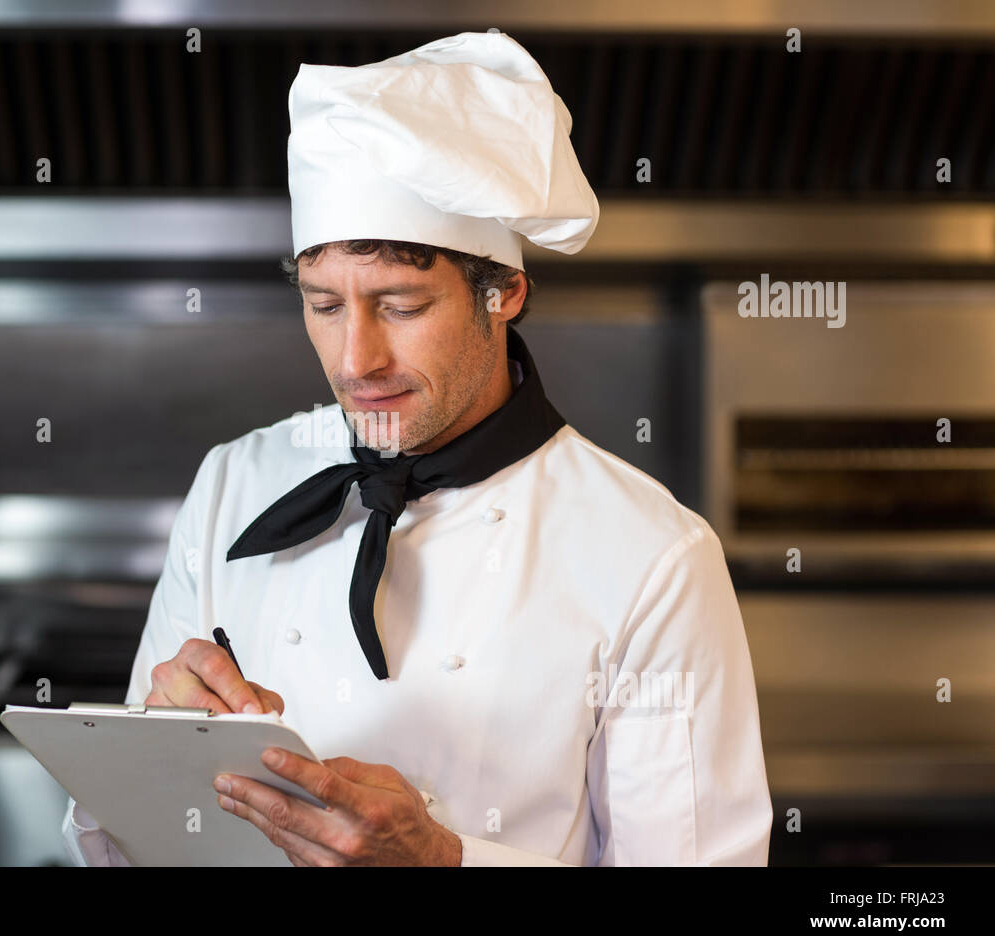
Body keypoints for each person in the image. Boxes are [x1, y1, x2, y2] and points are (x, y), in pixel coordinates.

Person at [62, 30, 771, 866]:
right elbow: (124, 850)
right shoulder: (233, 483)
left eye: (399, 305)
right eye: (325, 306)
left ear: (502, 293)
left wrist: (442, 860)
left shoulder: (654, 557)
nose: (355, 361)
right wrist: (152, 753)